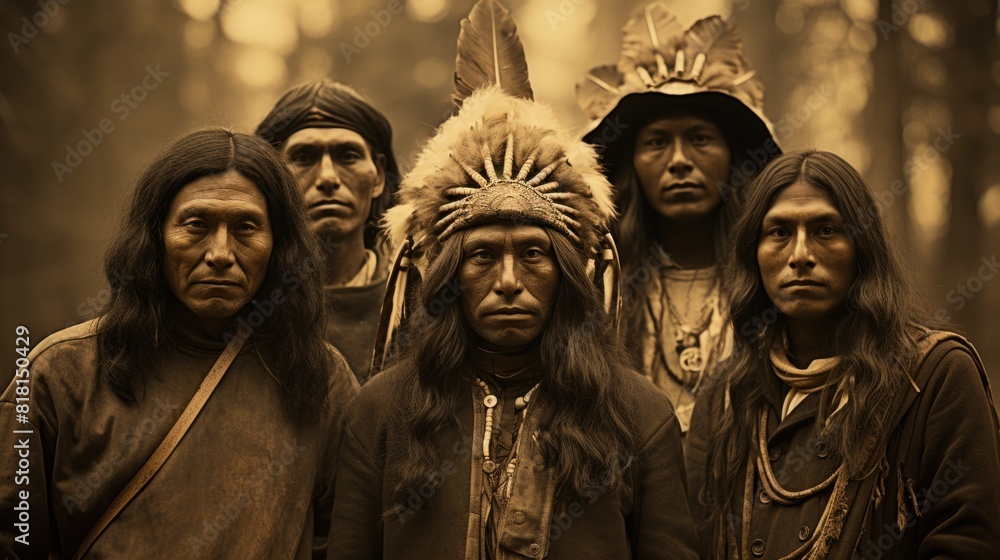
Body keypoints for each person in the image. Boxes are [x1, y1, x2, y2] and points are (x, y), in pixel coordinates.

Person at [327, 1, 698, 558]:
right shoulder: (382, 412)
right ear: (448, 276)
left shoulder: (637, 415)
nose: (507, 281)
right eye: (480, 257)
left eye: (533, 255)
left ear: (569, 276)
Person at [0, 128, 357, 559]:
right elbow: (12, 538)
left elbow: (343, 540)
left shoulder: (320, 379)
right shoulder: (58, 373)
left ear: (278, 246)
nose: (221, 253)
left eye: (246, 227)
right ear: (155, 238)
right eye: (197, 225)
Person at [686, 149, 1000, 558]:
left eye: (826, 230)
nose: (800, 255)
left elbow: (967, 543)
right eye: (779, 232)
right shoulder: (726, 395)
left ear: (862, 248)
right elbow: (689, 541)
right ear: (754, 254)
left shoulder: (936, 375)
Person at [575, 2, 781, 434]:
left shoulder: (776, 279)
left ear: (733, 159)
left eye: (700, 139)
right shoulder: (596, 284)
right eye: (657, 143)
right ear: (630, 165)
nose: (680, 161)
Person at [256, 80, 400, 383]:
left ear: (377, 176)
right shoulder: (247, 309)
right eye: (303, 157)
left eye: (347, 155)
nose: (327, 178)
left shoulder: (417, 304)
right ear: (272, 180)